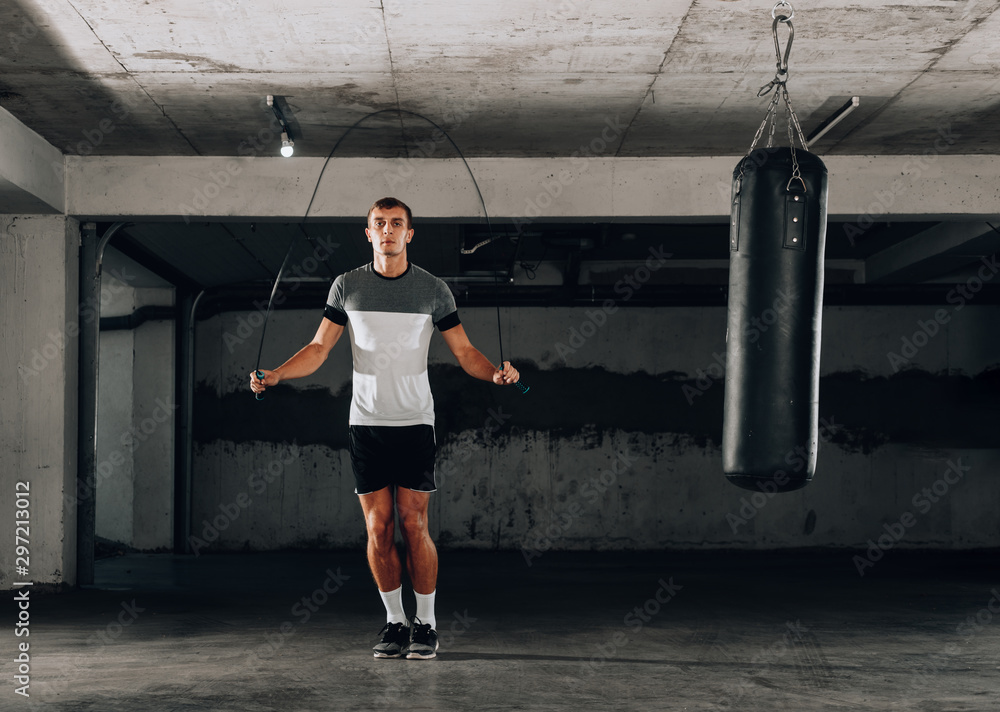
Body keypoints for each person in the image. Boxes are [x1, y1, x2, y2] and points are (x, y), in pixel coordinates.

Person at [250, 197, 520, 660]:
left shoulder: (434, 290)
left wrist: (495, 371)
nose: (389, 230)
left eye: (398, 223)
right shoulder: (346, 287)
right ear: (368, 233)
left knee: (414, 524)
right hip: (367, 423)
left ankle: (427, 625)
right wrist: (275, 374)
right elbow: (318, 348)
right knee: (378, 528)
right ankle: (396, 621)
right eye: (380, 223)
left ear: (410, 234)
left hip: (415, 422)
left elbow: (464, 351)